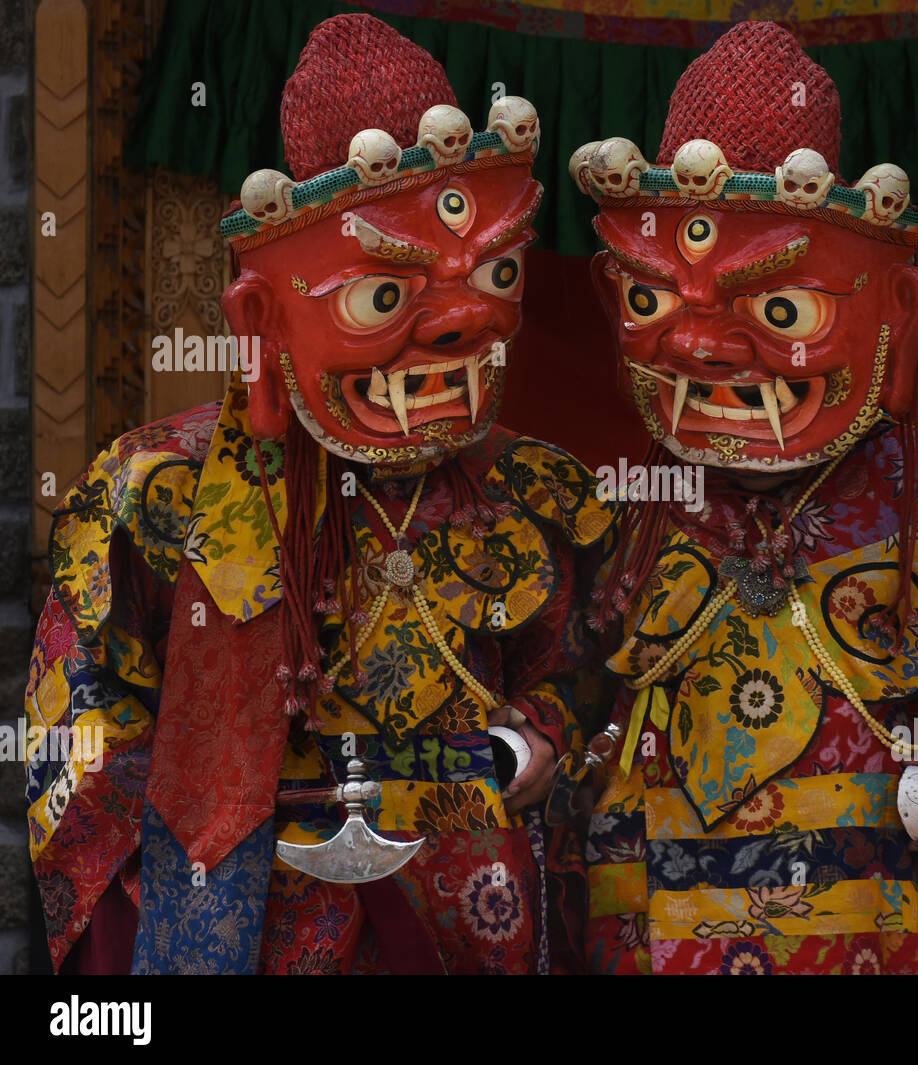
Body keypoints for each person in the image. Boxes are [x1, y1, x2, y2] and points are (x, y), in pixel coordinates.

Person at [26, 13, 613, 974]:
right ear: (263, 315)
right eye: (385, 297)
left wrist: (541, 738)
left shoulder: (544, 492)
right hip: (247, 918)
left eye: (493, 275)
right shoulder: (154, 490)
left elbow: (604, 673)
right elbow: (75, 729)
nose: (459, 325)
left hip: (473, 913)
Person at [570, 21, 918, 974]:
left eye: (783, 311)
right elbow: (563, 681)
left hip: (878, 911)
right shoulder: (628, 508)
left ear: (896, 312)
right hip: (667, 913)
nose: (705, 349)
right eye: (656, 304)